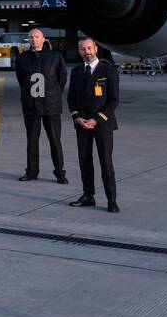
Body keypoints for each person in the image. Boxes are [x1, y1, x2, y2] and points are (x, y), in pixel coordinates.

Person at [68, 37, 120, 213]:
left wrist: (96, 120)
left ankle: (111, 199)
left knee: (106, 162)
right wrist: (77, 118)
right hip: (82, 125)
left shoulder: (109, 71)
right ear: (79, 51)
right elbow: (71, 98)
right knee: (85, 162)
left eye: (89, 48)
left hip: (102, 125)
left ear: (96, 49)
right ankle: (88, 195)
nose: (87, 52)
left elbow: (113, 101)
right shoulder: (76, 72)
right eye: (83, 49)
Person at [14, 27, 68, 184]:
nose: (34, 39)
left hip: (50, 105)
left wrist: (52, 94)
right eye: (31, 37)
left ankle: (60, 173)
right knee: (32, 140)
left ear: (43, 39)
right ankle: (31, 171)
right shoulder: (22, 58)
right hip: (31, 105)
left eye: (37, 37)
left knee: (55, 140)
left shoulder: (55, 56)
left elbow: (62, 79)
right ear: (28, 40)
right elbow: (21, 80)